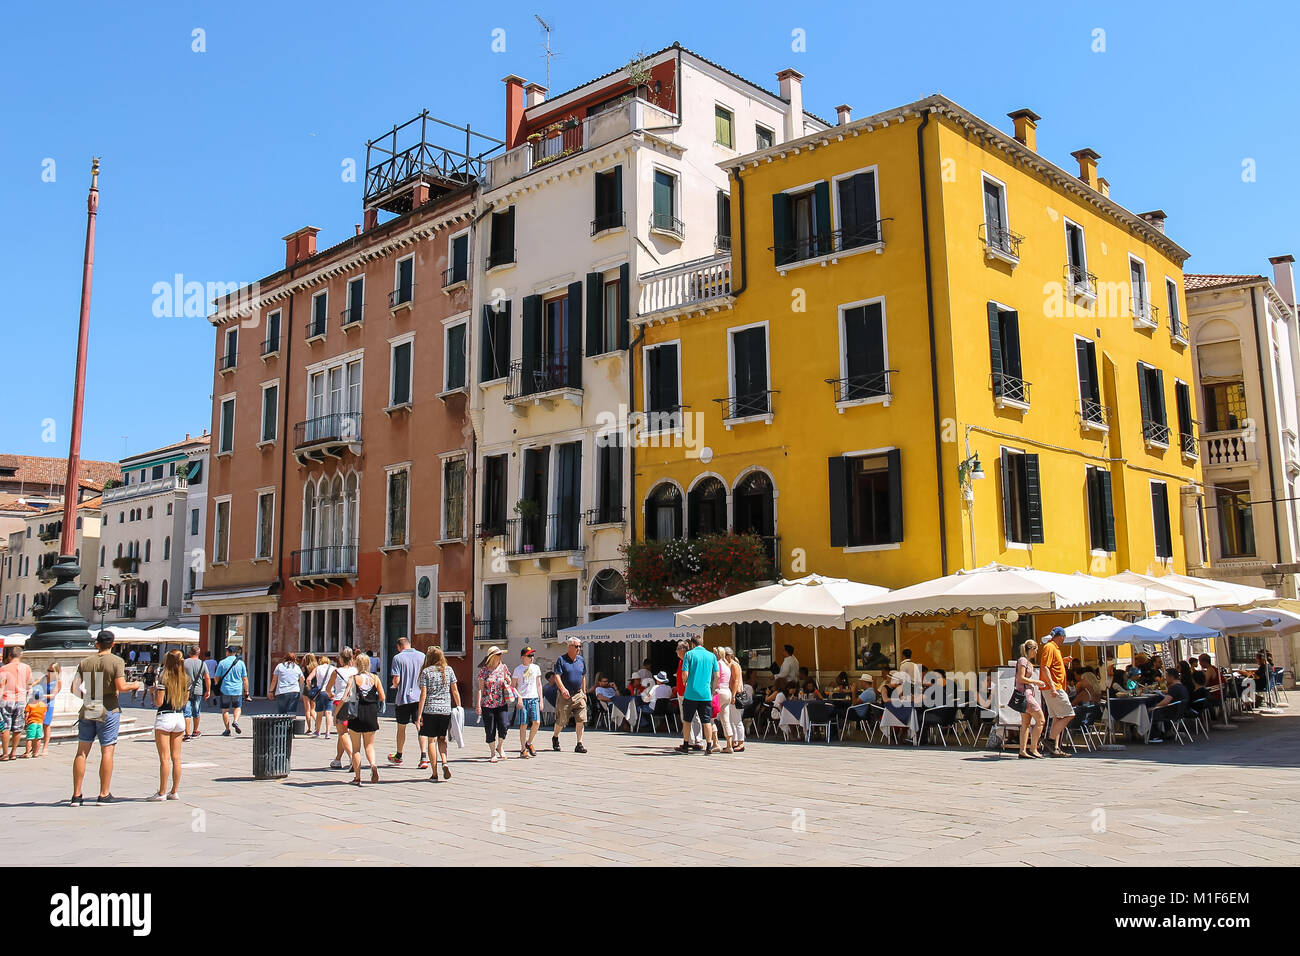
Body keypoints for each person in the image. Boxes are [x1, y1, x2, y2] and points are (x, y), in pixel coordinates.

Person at [70, 630, 141, 805]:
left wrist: (87, 698)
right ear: (113, 644)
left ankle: (76, 795)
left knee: (82, 751)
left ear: (97, 644)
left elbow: (74, 687)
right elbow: (121, 686)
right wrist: (134, 685)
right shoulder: (116, 661)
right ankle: (103, 793)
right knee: (107, 750)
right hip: (108, 706)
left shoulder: (85, 662)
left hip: (89, 706)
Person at [149, 650, 189, 801]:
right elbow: (185, 701)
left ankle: (161, 792)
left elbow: (159, 702)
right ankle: (174, 791)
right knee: (176, 758)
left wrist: (153, 693)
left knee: (164, 759)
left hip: (165, 716)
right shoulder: (186, 678)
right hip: (179, 717)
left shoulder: (163, 677)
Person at [340, 653, 385, 785]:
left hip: (357, 714)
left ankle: (357, 777)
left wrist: (338, 711)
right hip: (371, 713)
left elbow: (346, 696)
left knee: (356, 748)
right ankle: (373, 765)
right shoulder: (375, 678)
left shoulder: (353, 678)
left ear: (357, 664)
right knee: (370, 745)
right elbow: (382, 696)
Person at [417, 645, 460, 781]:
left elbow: (423, 694)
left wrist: (419, 715)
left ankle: (434, 772)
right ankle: (445, 762)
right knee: (442, 738)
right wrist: (459, 706)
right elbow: (454, 690)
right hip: (445, 710)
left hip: (430, 710)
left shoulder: (426, 672)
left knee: (431, 740)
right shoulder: (449, 670)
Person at [676, 634, 720, 754]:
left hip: (691, 692)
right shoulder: (711, 656)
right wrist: (712, 689)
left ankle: (685, 744)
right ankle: (709, 745)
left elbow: (684, 673)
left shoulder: (689, 654)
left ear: (692, 644)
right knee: (706, 720)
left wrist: (685, 683)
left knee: (687, 720)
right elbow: (717, 675)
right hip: (705, 694)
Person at [387, 637, 425, 767]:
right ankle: (423, 756)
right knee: (420, 727)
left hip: (403, 699)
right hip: (419, 697)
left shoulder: (397, 658)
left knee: (401, 728)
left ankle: (399, 755)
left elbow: (396, 681)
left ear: (399, 647)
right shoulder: (422, 656)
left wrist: (394, 684)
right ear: (410, 644)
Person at [1038, 627, 1074, 756]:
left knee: (1057, 717)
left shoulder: (1054, 648)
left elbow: (1051, 665)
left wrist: (1063, 661)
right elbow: (1045, 668)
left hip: (1054, 687)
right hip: (1054, 687)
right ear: (1062, 636)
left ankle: (1055, 749)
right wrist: (1052, 686)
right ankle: (1051, 740)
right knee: (1069, 714)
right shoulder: (1050, 647)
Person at [475, 646, 513, 763]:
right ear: (492, 657)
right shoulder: (484, 670)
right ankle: (492, 753)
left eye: (500, 654)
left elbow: (509, 680)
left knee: (504, 725)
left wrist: (508, 681)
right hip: (487, 704)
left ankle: (500, 746)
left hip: (501, 702)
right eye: (498, 654)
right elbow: (480, 689)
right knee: (490, 729)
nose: (500, 656)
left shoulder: (503, 667)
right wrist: (478, 704)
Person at [551, 637, 588, 754]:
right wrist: (562, 689)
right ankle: (555, 737)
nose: (578, 649)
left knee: (581, 718)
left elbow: (583, 677)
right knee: (562, 720)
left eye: (579, 646)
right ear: (569, 647)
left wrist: (584, 692)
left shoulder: (581, 660)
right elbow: (557, 676)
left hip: (578, 694)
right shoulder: (561, 660)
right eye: (576, 646)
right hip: (565, 696)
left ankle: (579, 743)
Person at [0, 647, 33, 761]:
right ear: (21, 655)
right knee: (17, 727)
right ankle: (13, 753)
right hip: (20, 699)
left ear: (9, 656)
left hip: (6, 699)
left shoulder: (4, 668)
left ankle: (5, 753)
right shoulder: (27, 668)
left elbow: (1, 685)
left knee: (5, 727)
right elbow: (30, 685)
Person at [1016, 639, 1046, 759]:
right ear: (1031, 649)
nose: (1037, 651)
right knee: (1041, 720)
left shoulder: (1027, 662)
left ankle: (1023, 750)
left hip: (1026, 695)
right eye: (1036, 649)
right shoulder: (1023, 661)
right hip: (1026, 695)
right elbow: (1021, 678)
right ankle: (1033, 748)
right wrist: (1036, 682)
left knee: (1026, 724)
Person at [328, 648, 358, 769]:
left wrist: (330, 693)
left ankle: (352, 759)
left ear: (341, 659)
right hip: (354, 703)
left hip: (340, 701)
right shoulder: (356, 671)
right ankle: (338, 759)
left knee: (343, 732)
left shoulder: (337, 671)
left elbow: (328, 688)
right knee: (345, 732)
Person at [512, 647, 542, 758]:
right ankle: (522, 749)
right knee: (523, 724)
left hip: (534, 698)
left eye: (532, 655)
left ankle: (529, 743)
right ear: (523, 657)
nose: (531, 658)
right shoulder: (518, 669)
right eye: (529, 656)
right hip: (523, 699)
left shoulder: (536, 668)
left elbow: (539, 685)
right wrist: (518, 698)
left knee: (536, 722)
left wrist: (541, 700)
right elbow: (512, 686)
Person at [213, 647, 248, 736]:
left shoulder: (222, 662)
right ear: (235, 653)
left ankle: (227, 729)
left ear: (228, 652)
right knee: (237, 707)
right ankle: (235, 721)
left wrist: (216, 683)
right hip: (237, 689)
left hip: (225, 689)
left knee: (225, 709)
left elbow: (216, 677)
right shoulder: (241, 663)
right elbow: (244, 678)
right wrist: (246, 691)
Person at [181, 646, 209, 741]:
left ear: (189, 653)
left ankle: (187, 734)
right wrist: (208, 690)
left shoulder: (184, 662)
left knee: (186, 712)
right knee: (196, 711)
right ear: (198, 653)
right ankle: (195, 731)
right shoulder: (202, 663)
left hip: (185, 690)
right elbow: (207, 678)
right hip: (198, 690)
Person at [722, 648, 745, 752]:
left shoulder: (734, 665)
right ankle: (734, 741)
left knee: (737, 719)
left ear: (729, 655)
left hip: (735, 694)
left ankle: (741, 742)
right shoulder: (729, 664)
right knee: (731, 719)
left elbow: (736, 681)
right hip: (731, 693)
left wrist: (733, 695)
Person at [35, 662, 60, 756]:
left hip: (49, 704)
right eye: (48, 670)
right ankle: (35, 748)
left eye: (51, 671)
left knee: (46, 724)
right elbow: (35, 684)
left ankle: (45, 747)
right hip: (40, 703)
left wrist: (42, 695)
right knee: (37, 723)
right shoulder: (44, 677)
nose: (49, 672)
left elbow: (53, 695)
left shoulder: (58, 681)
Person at [311, 655, 338, 738]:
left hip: (320, 692)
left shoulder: (317, 668)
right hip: (330, 692)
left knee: (319, 713)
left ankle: (318, 731)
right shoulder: (334, 668)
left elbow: (308, 679)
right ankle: (327, 733)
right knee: (328, 712)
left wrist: (311, 688)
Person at [299, 653, 318, 731]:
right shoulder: (316, 668)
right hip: (315, 688)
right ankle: (318, 722)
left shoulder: (304, 668)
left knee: (307, 709)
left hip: (307, 688)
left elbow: (302, 679)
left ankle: (309, 728)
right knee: (313, 709)